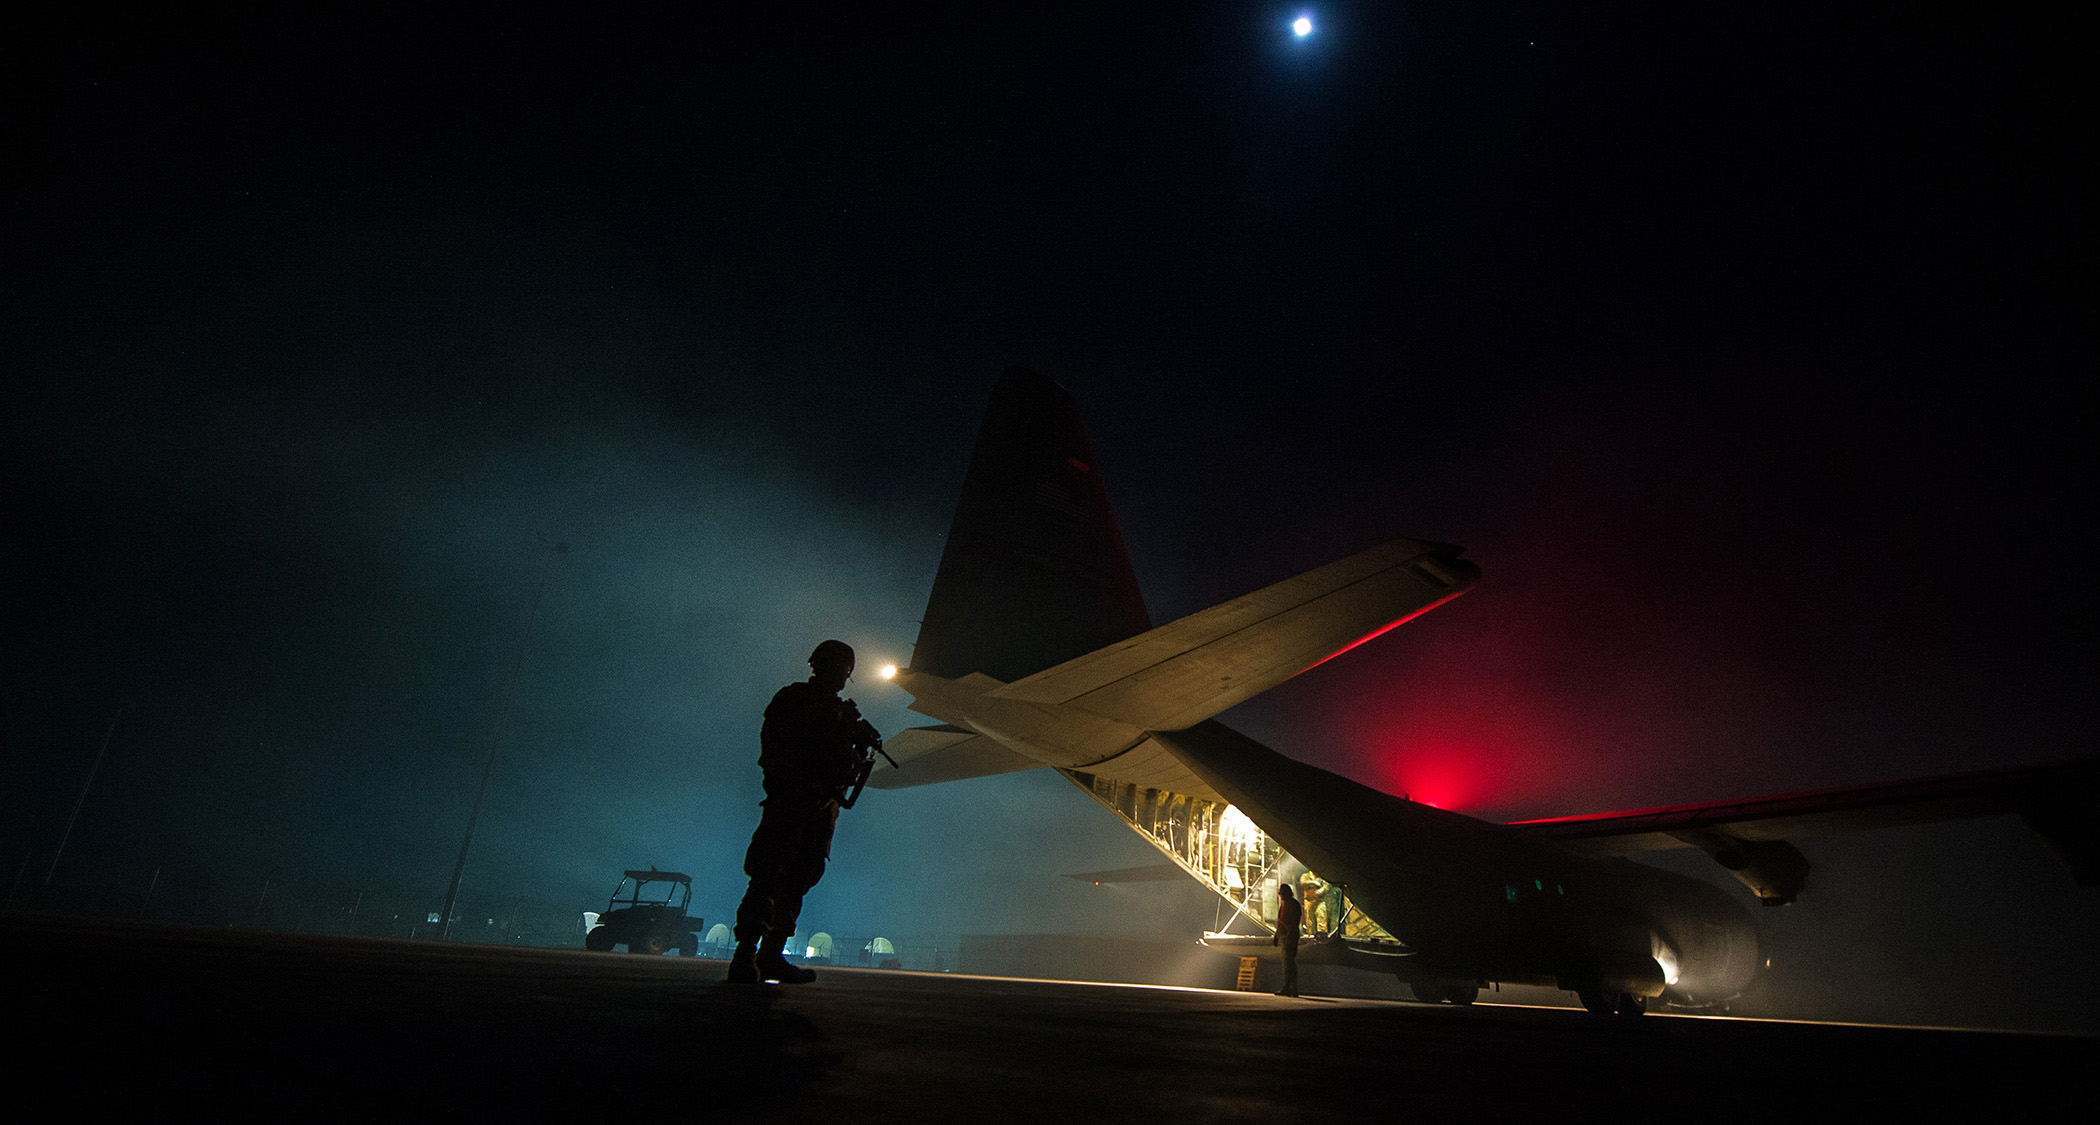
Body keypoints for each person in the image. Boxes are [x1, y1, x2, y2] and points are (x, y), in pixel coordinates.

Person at [727, 640, 877, 984]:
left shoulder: (832, 711)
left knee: (798, 880)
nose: (843, 677)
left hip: (818, 808)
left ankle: (769, 955)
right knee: (768, 877)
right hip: (792, 803)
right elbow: (779, 752)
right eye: (841, 669)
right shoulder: (796, 701)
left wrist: (856, 749)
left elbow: (843, 768)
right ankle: (745, 955)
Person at [1273, 882, 1303, 997]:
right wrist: (1276, 935)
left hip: (1289, 937)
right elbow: (1280, 921)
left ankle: (1289, 988)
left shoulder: (1293, 905)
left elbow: (1294, 923)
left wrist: (1289, 936)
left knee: (1289, 964)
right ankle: (1291, 989)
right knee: (1288, 963)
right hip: (1284, 936)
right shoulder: (1285, 904)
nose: (1280, 895)